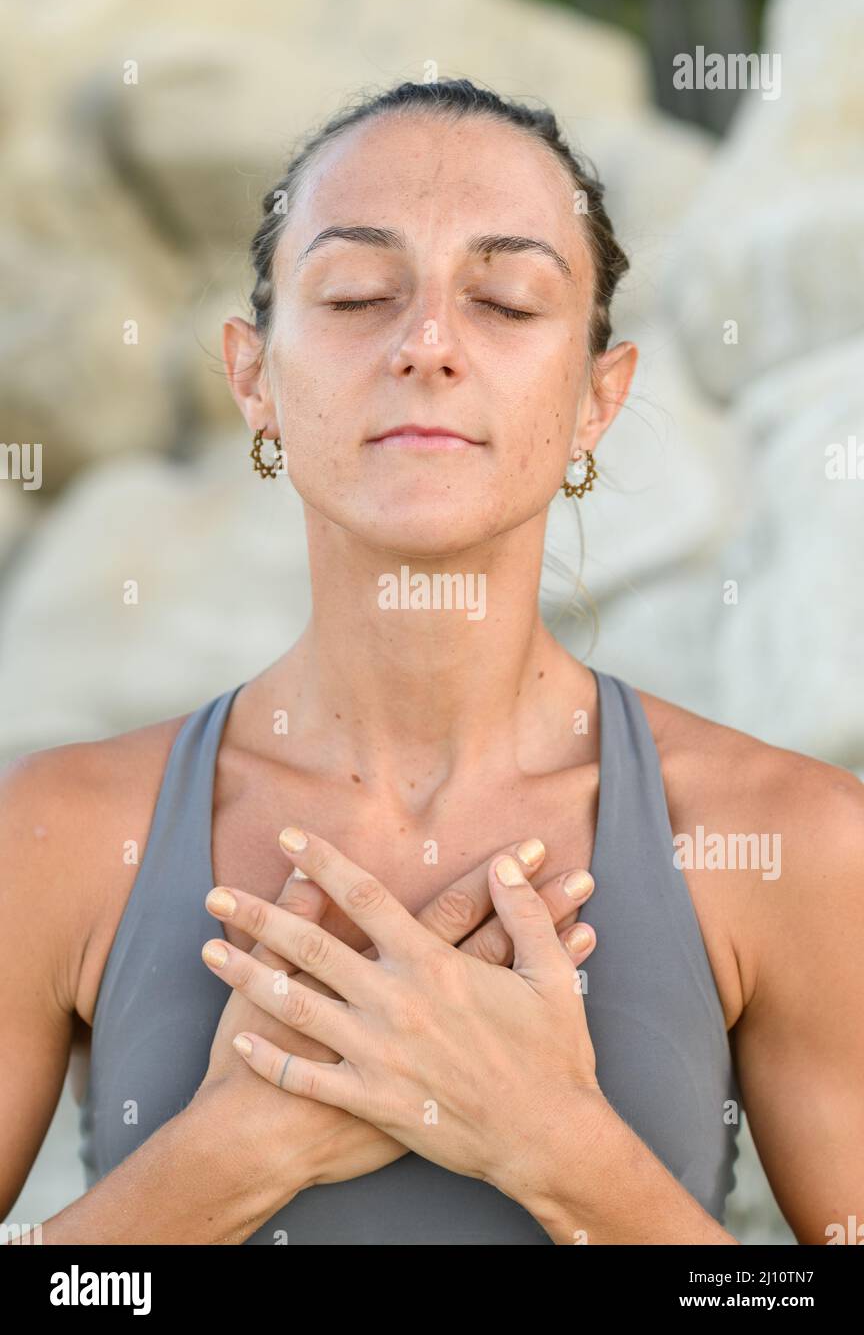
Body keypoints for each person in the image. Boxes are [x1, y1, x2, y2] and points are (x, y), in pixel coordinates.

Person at [2, 79, 862, 1246]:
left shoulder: (794, 839)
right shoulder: (56, 832)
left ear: (595, 402)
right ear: (253, 376)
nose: (428, 344)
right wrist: (223, 1161)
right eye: (358, 293)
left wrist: (562, 1150)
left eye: (506, 301)